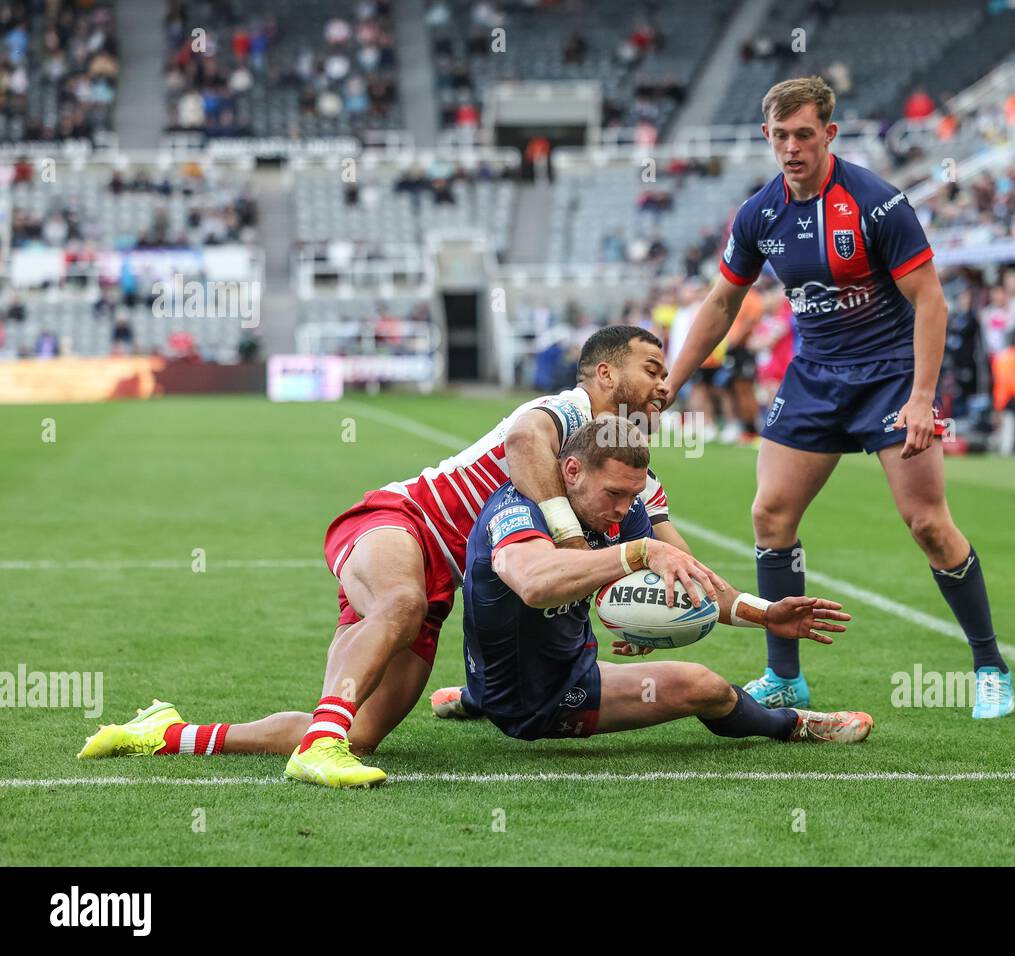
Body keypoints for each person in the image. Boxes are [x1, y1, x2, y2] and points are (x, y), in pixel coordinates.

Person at [77, 327, 725, 787]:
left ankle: (168, 732)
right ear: (608, 374)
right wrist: (574, 542)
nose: (663, 383)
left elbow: (649, 552)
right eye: (652, 368)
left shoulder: (619, 455)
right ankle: (318, 750)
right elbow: (526, 436)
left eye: (667, 375)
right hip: (401, 521)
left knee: (357, 732)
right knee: (398, 601)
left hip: (439, 579)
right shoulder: (570, 408)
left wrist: (732, 608)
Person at [664, 76, 1015, 719]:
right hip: (816, 376)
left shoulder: (878, 204)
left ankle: (989, 665)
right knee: (770, 516)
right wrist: (675, 379)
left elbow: (931, 302)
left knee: (929, 525)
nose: (792, 148)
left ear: (829, 134)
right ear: (766, 138)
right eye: (780, 136)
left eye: (804, 134)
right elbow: (721, 302)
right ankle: (785, 677)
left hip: (889, 376)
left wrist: (922, 397)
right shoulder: (759, 214)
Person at [431, 418, 871, 746]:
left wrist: (766, 614)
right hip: (540, 697)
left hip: (562, 668)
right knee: (704, 686)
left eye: (632, 495)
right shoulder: (518, 510)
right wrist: (636, 554)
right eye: (614, 494)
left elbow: (689, 583)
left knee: (535, 659)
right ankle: (795, 724)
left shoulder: (623, 512)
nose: (625, 508)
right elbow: (534, 582)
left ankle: (475, 698)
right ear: (571, 470)